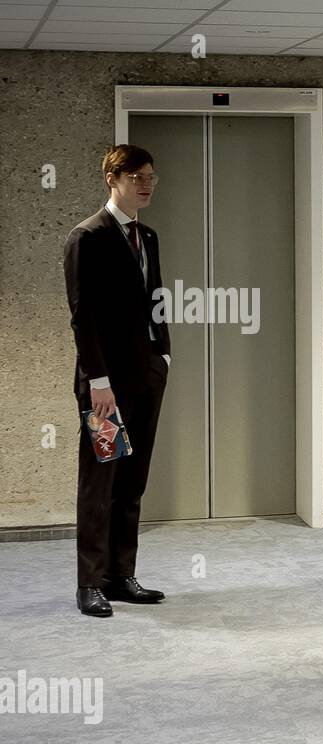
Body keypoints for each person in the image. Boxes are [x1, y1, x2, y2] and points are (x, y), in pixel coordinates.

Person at [63, 144, 171, 618]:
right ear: (113, 179)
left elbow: (156, 300)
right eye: (136, 177)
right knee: (99, 481)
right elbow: (83, 318)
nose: (146, 184)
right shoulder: (87, 237)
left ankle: (120, 575)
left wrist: (164, 355)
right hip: (104, 384)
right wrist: (98, 380)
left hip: (147, 375)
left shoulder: (147, 236)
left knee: (132, 479)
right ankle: (90, 583)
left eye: (150, 176)